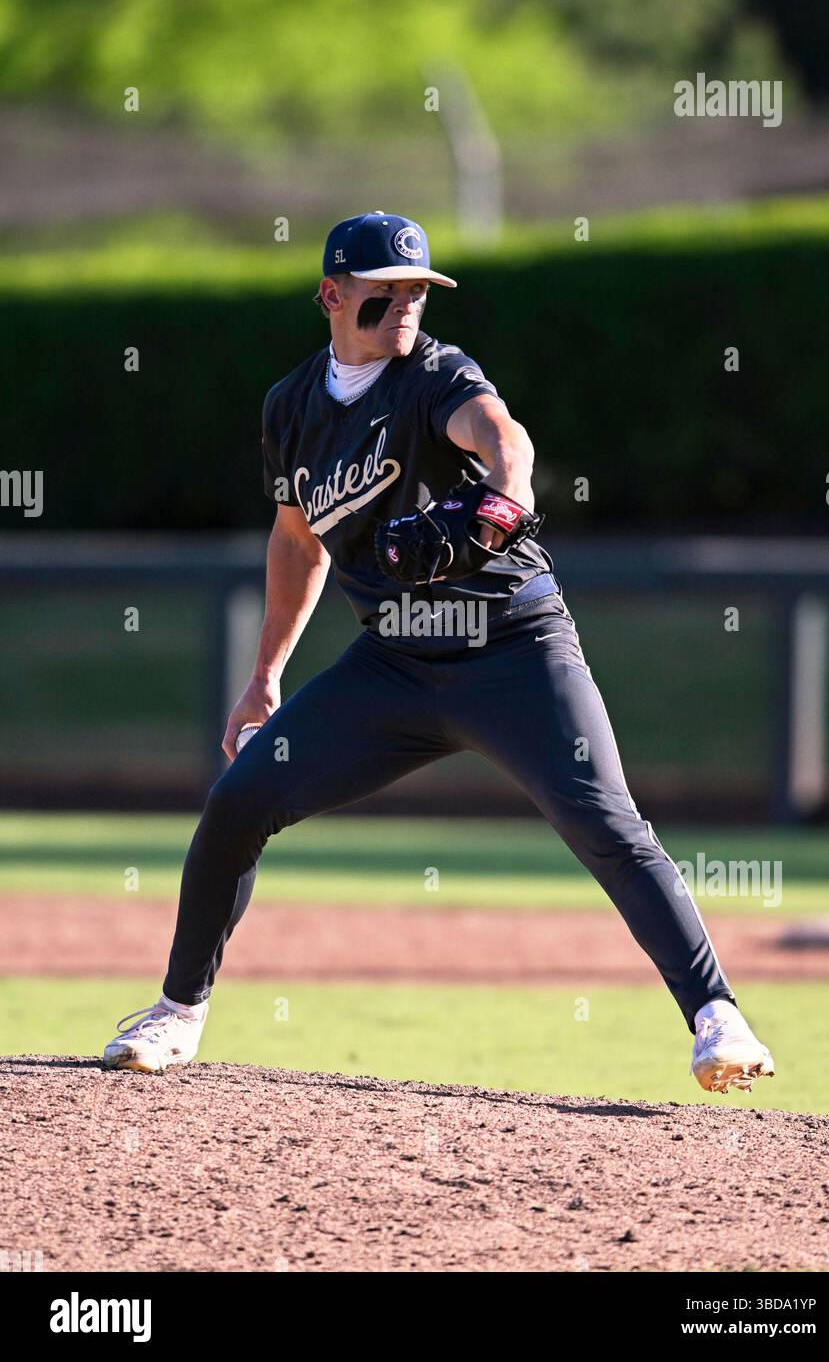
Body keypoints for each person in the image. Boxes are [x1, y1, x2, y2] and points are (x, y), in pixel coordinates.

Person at [104, 211, 775, 1096]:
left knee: (606, 822)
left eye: (419, 289)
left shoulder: (434, 375)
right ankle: (177, 1014)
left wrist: (502, 499)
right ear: (332, 296)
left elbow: (504, 438)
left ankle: (716, 1017)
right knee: (239, 800)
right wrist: (264, 677)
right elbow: (297, 542)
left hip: (512, 645)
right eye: (387, 290)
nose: (407, 305)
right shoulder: (292, 408)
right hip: (394, 664)